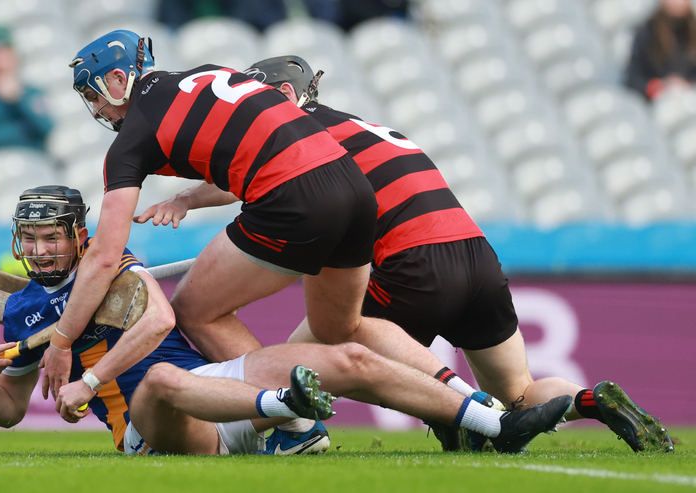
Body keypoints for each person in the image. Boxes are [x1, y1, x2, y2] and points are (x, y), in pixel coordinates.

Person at [237, 55, 673, 454]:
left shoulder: (297, 133)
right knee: (519, 393)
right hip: (476, 256)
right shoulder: (356, 126)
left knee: (301, 359)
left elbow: (252, 178)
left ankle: (454, 410)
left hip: (414, 260)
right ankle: (591, 399)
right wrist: (189, 199)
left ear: (282, 95)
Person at [44, 29, 482, 419]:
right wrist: (186, 198)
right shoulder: (211, 74)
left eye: (93, 94)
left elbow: (104, 256)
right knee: (342, 328)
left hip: (295, 199)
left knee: (195, 312)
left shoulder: (132, 137)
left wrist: (61, 343)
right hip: (355, 188)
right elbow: (271, 150)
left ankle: (290, 422)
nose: (97, 108)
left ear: (119, 80)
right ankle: (471, 405)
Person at [0, 184, 574, 455]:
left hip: (224, 385)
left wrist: (87, 381)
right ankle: (287, 414)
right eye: (30, 240)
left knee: (348, 359)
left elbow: (157, 323)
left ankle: (493, 424)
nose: (39, 251)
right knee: (163, 384)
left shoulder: (117, 266)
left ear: (77, 235)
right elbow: (10, 412)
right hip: (154, 432)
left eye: (50, 238)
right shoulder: (20, 309)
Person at [0, 26, 53, 161]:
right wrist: (25, 132)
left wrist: (19, 99)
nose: (0, 64)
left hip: (33, 161)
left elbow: (46, 128)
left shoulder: (32, 93)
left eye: (5, 56)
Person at [625, 0, 696, 100]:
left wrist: (687, 85)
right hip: (655, 104)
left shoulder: (693, 31)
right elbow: (633, 77)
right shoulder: (647, 32)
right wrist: (656, 86)